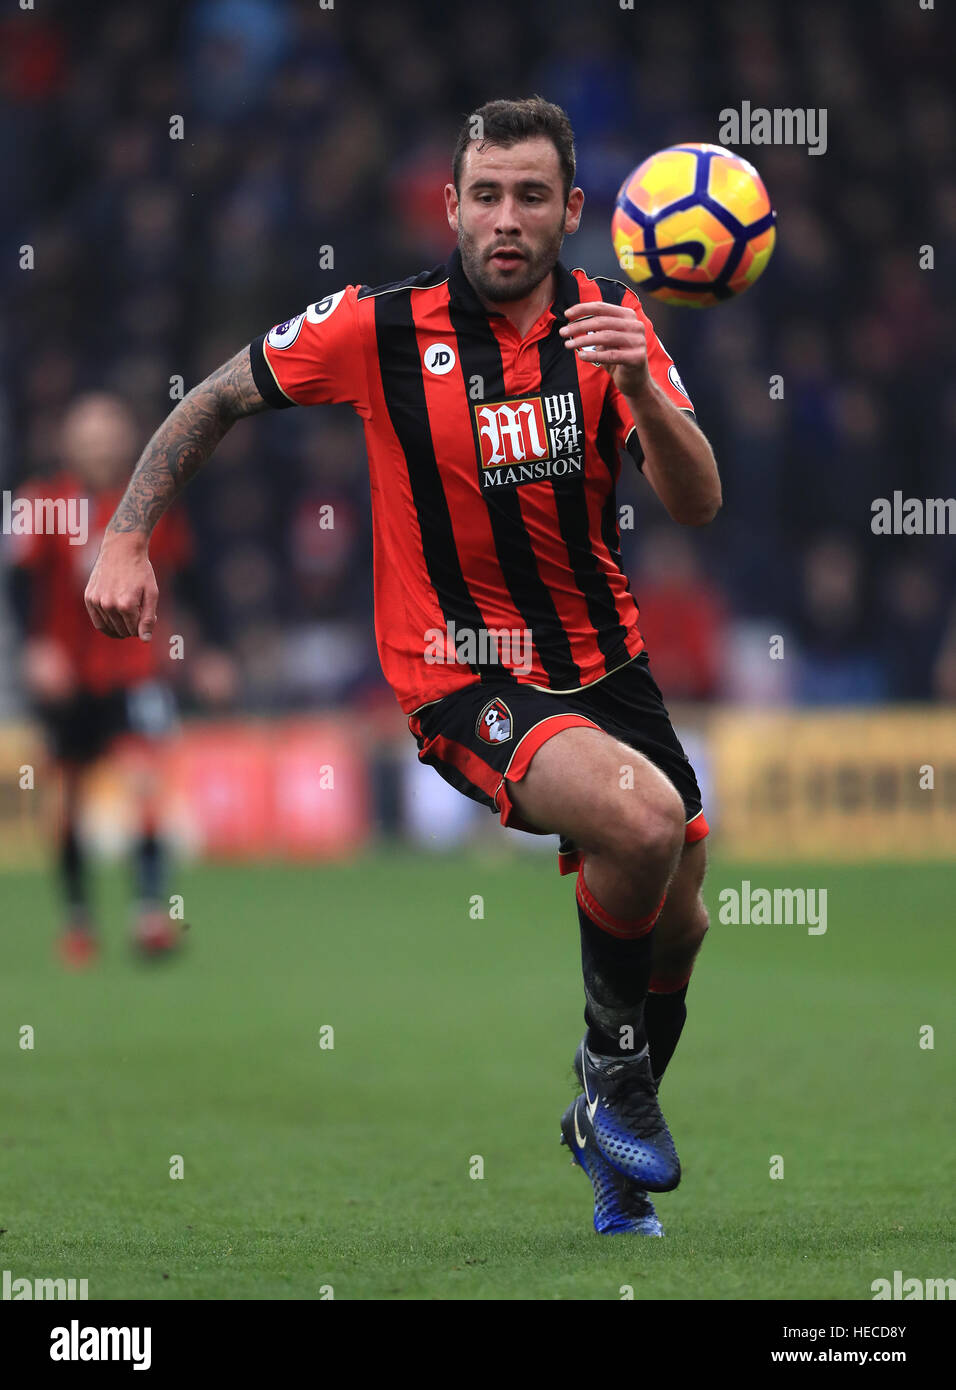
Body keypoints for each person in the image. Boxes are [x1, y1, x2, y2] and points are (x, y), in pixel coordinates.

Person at [84, 97, 721, 1235]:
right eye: (485, 194)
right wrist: (129, 530)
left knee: (679, 924)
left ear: (571, 210)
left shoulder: (611, 322)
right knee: (640, 821)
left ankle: (605, 1135)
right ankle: (613, 1081)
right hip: (459, 671)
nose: (506, 218)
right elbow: (220, 394)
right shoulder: (377, 328)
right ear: (451, 204)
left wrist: (637, 389)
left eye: (531, 196)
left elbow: (698, 498)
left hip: (606, 667)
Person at [12, 393, 190, 964]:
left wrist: (198, 650)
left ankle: (148, 912)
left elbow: (184, 578)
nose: (99, 444)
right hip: (67, 675)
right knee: (68, 799)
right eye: (87, 434)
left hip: (132, 666)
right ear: (69, 441)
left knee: (144, 780)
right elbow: (16, 583)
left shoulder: (150, 499)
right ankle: (78, 919)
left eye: (108, 433)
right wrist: (36, 647)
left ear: (125, 438)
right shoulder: (41, 503)